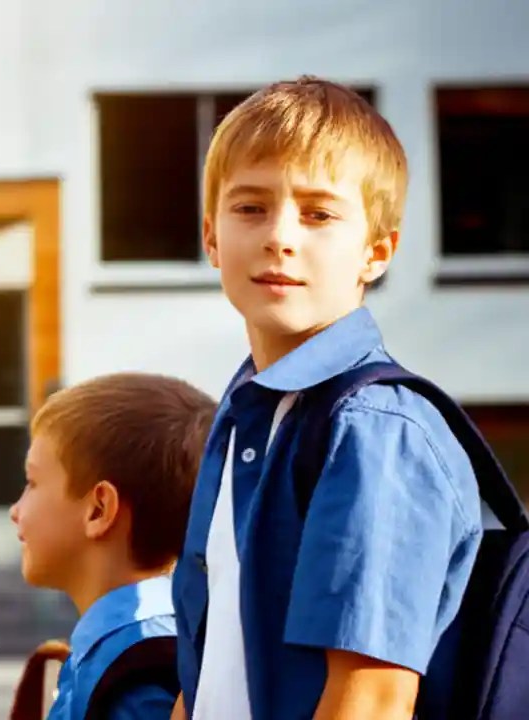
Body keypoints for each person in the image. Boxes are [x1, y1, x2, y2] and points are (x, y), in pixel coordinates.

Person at [171, 76, 483, 719]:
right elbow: (206, 682)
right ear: (211, 237)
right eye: (250, 207)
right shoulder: (243, 417)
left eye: (319, 214)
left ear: (377, 251)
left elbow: (369, 702)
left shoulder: (376, 431)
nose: (279, 236)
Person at [10, 373, 215, 719]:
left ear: (99, 509)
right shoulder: (140, 647)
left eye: (32, 482)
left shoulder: (138, 671)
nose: (16, 511)